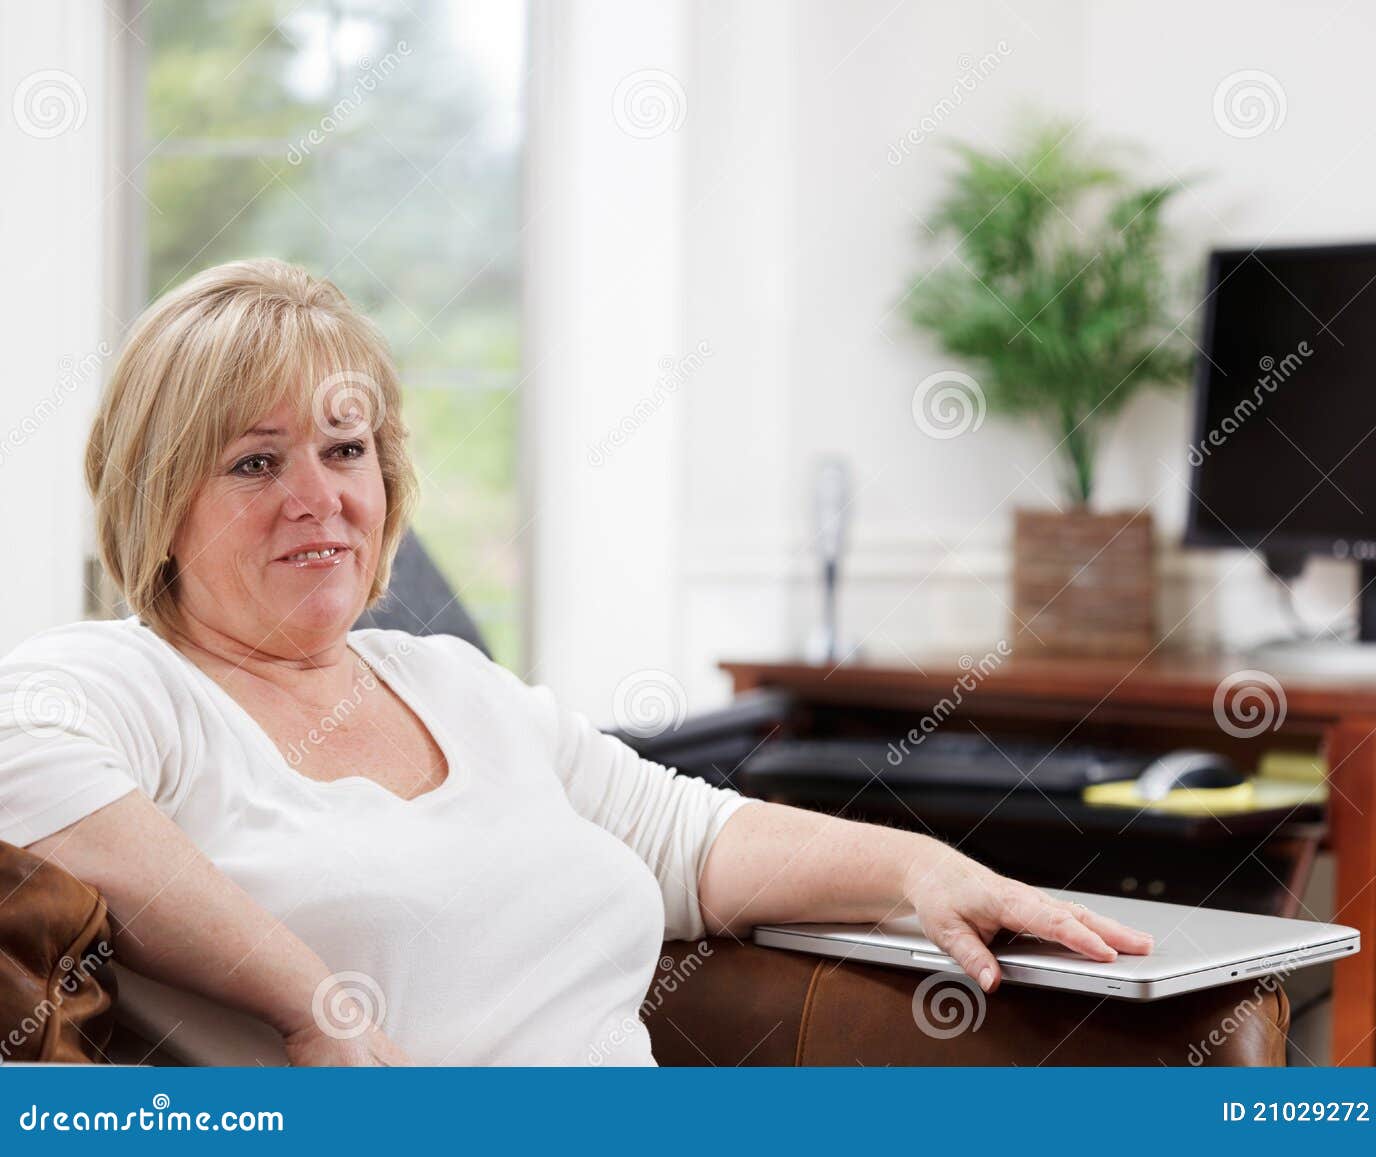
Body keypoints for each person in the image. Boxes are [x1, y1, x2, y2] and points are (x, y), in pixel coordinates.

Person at [0, 259, 1152, 1065]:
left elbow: (687, 837)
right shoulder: (133, 681)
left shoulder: (451, 683)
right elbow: (21, 768)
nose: (321, 498)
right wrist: (315, 1005)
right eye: (256, 463)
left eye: (345, 449)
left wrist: (920, 868)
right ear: (159, 504)